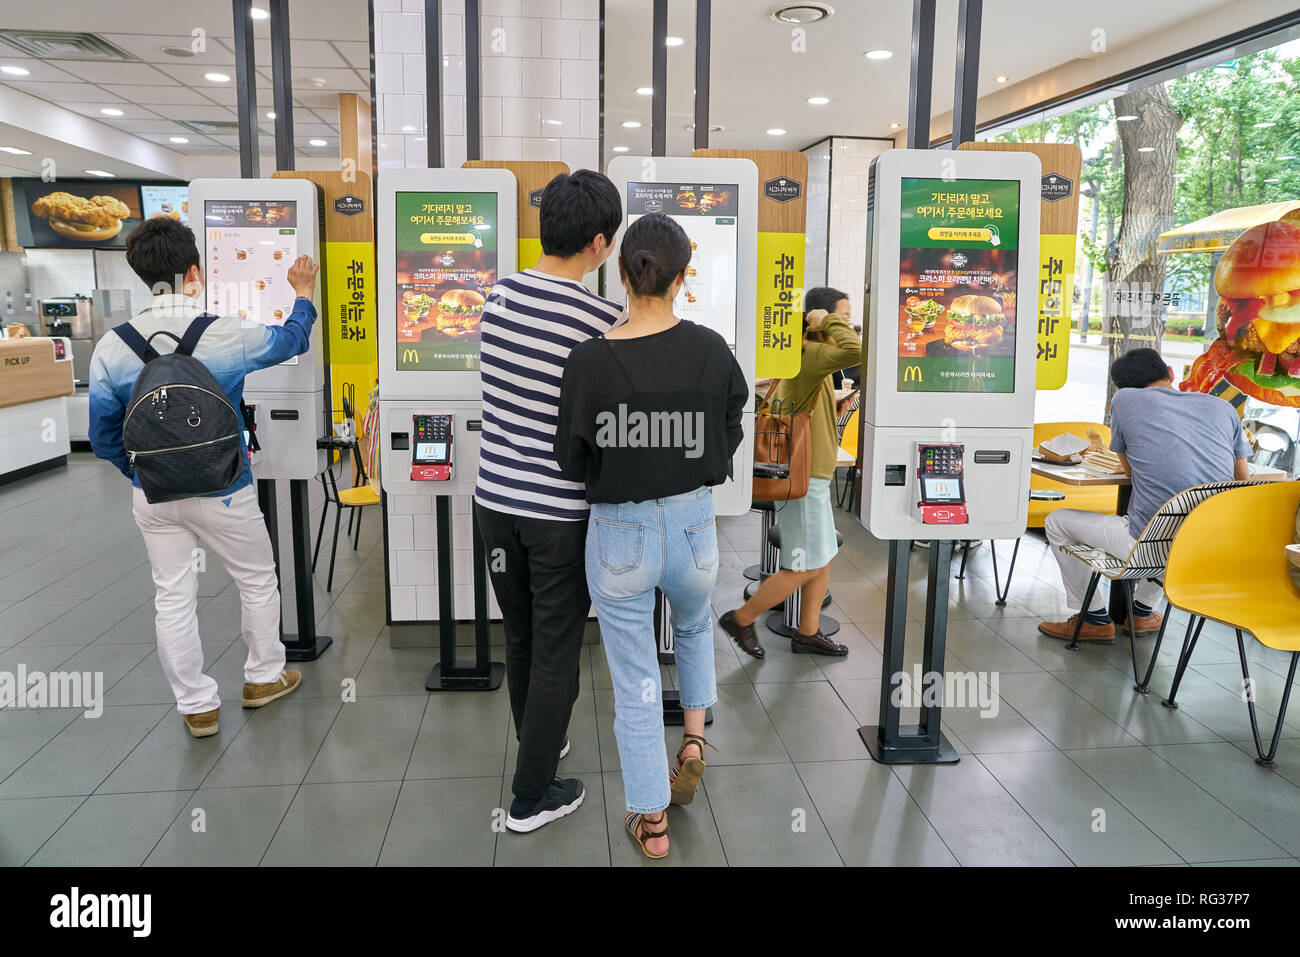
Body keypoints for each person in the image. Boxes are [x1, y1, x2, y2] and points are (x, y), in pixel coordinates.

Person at [554, 213, 747, 859]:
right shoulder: (712, 349)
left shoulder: (589, 361)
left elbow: (571, 456)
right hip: (694, 524)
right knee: (693, 629)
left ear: (621, 271)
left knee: (635, 679)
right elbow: (730, 423)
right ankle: (693, 741)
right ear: (682, 275)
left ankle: (652, 821)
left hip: (621, 533)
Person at [87, 216, 316, 737]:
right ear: (195, 271)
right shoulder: (224, 333)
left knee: (172, 594)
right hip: (226, 487)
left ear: (142, 275)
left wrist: (147, 474)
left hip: (155, 495)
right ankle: (263, 678)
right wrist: (302, 293)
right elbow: (291, 341)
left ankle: (197, 707)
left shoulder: (111, 346)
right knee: (255, 580)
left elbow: (103, 439)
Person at [473, 169, 624, 834]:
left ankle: (542, 737)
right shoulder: (601, 320)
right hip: (558, 514)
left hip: (493, 503)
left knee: (522, 633)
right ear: (598, 242)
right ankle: (532, 795)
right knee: (559, 644)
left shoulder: (497, 297)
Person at [1039, 347, 1251, 642]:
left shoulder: (1126, 400)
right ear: (1172, 374)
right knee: (1179, 525)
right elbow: (1243, 481)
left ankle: (1094, 619)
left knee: (1057, 521)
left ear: (1122, 387)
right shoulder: (1222, 408)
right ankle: (1140, 612)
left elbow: (1128, 469)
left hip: (1146, 549)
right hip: (1209, 551)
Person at [719, 287, 862, 659]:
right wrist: (827, 321)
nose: (847, 324)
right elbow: (856, 350)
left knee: (822, 554)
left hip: (811, 474)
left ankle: (808, 631)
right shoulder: (811, 352)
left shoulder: (806, 355)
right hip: (806, 479)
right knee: (804, 564)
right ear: (817, 320)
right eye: (842, 316)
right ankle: (742, 617)